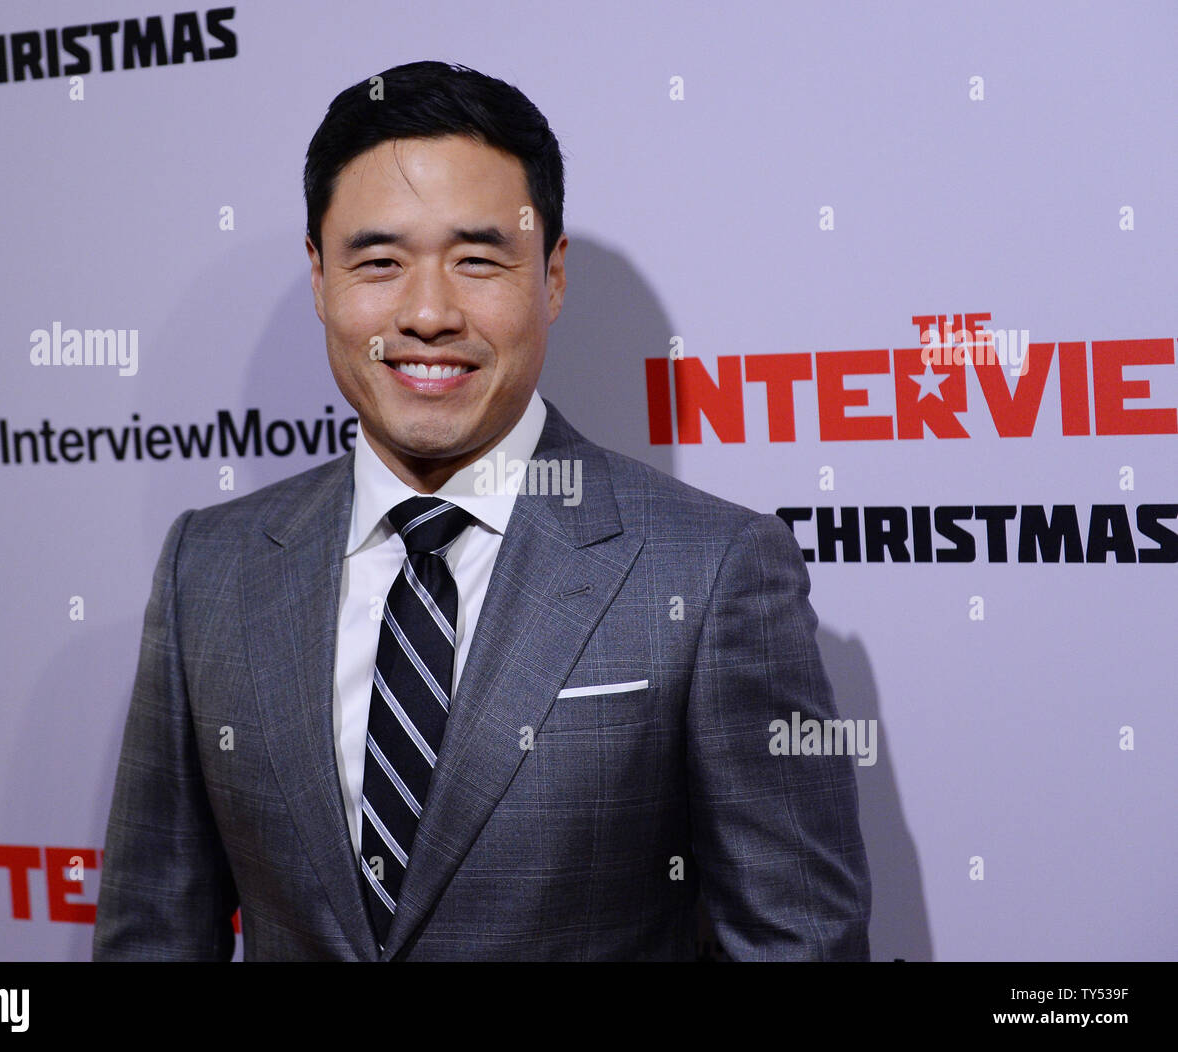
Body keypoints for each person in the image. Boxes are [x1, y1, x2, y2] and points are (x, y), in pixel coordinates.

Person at [93, 60, 871, 961]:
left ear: (551, 278)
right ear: (318, 278)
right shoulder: (211, 566)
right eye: (378, 262)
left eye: (477, 260)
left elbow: (799, 946)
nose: (428, 312)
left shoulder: (711, 571)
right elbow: (152, 931)